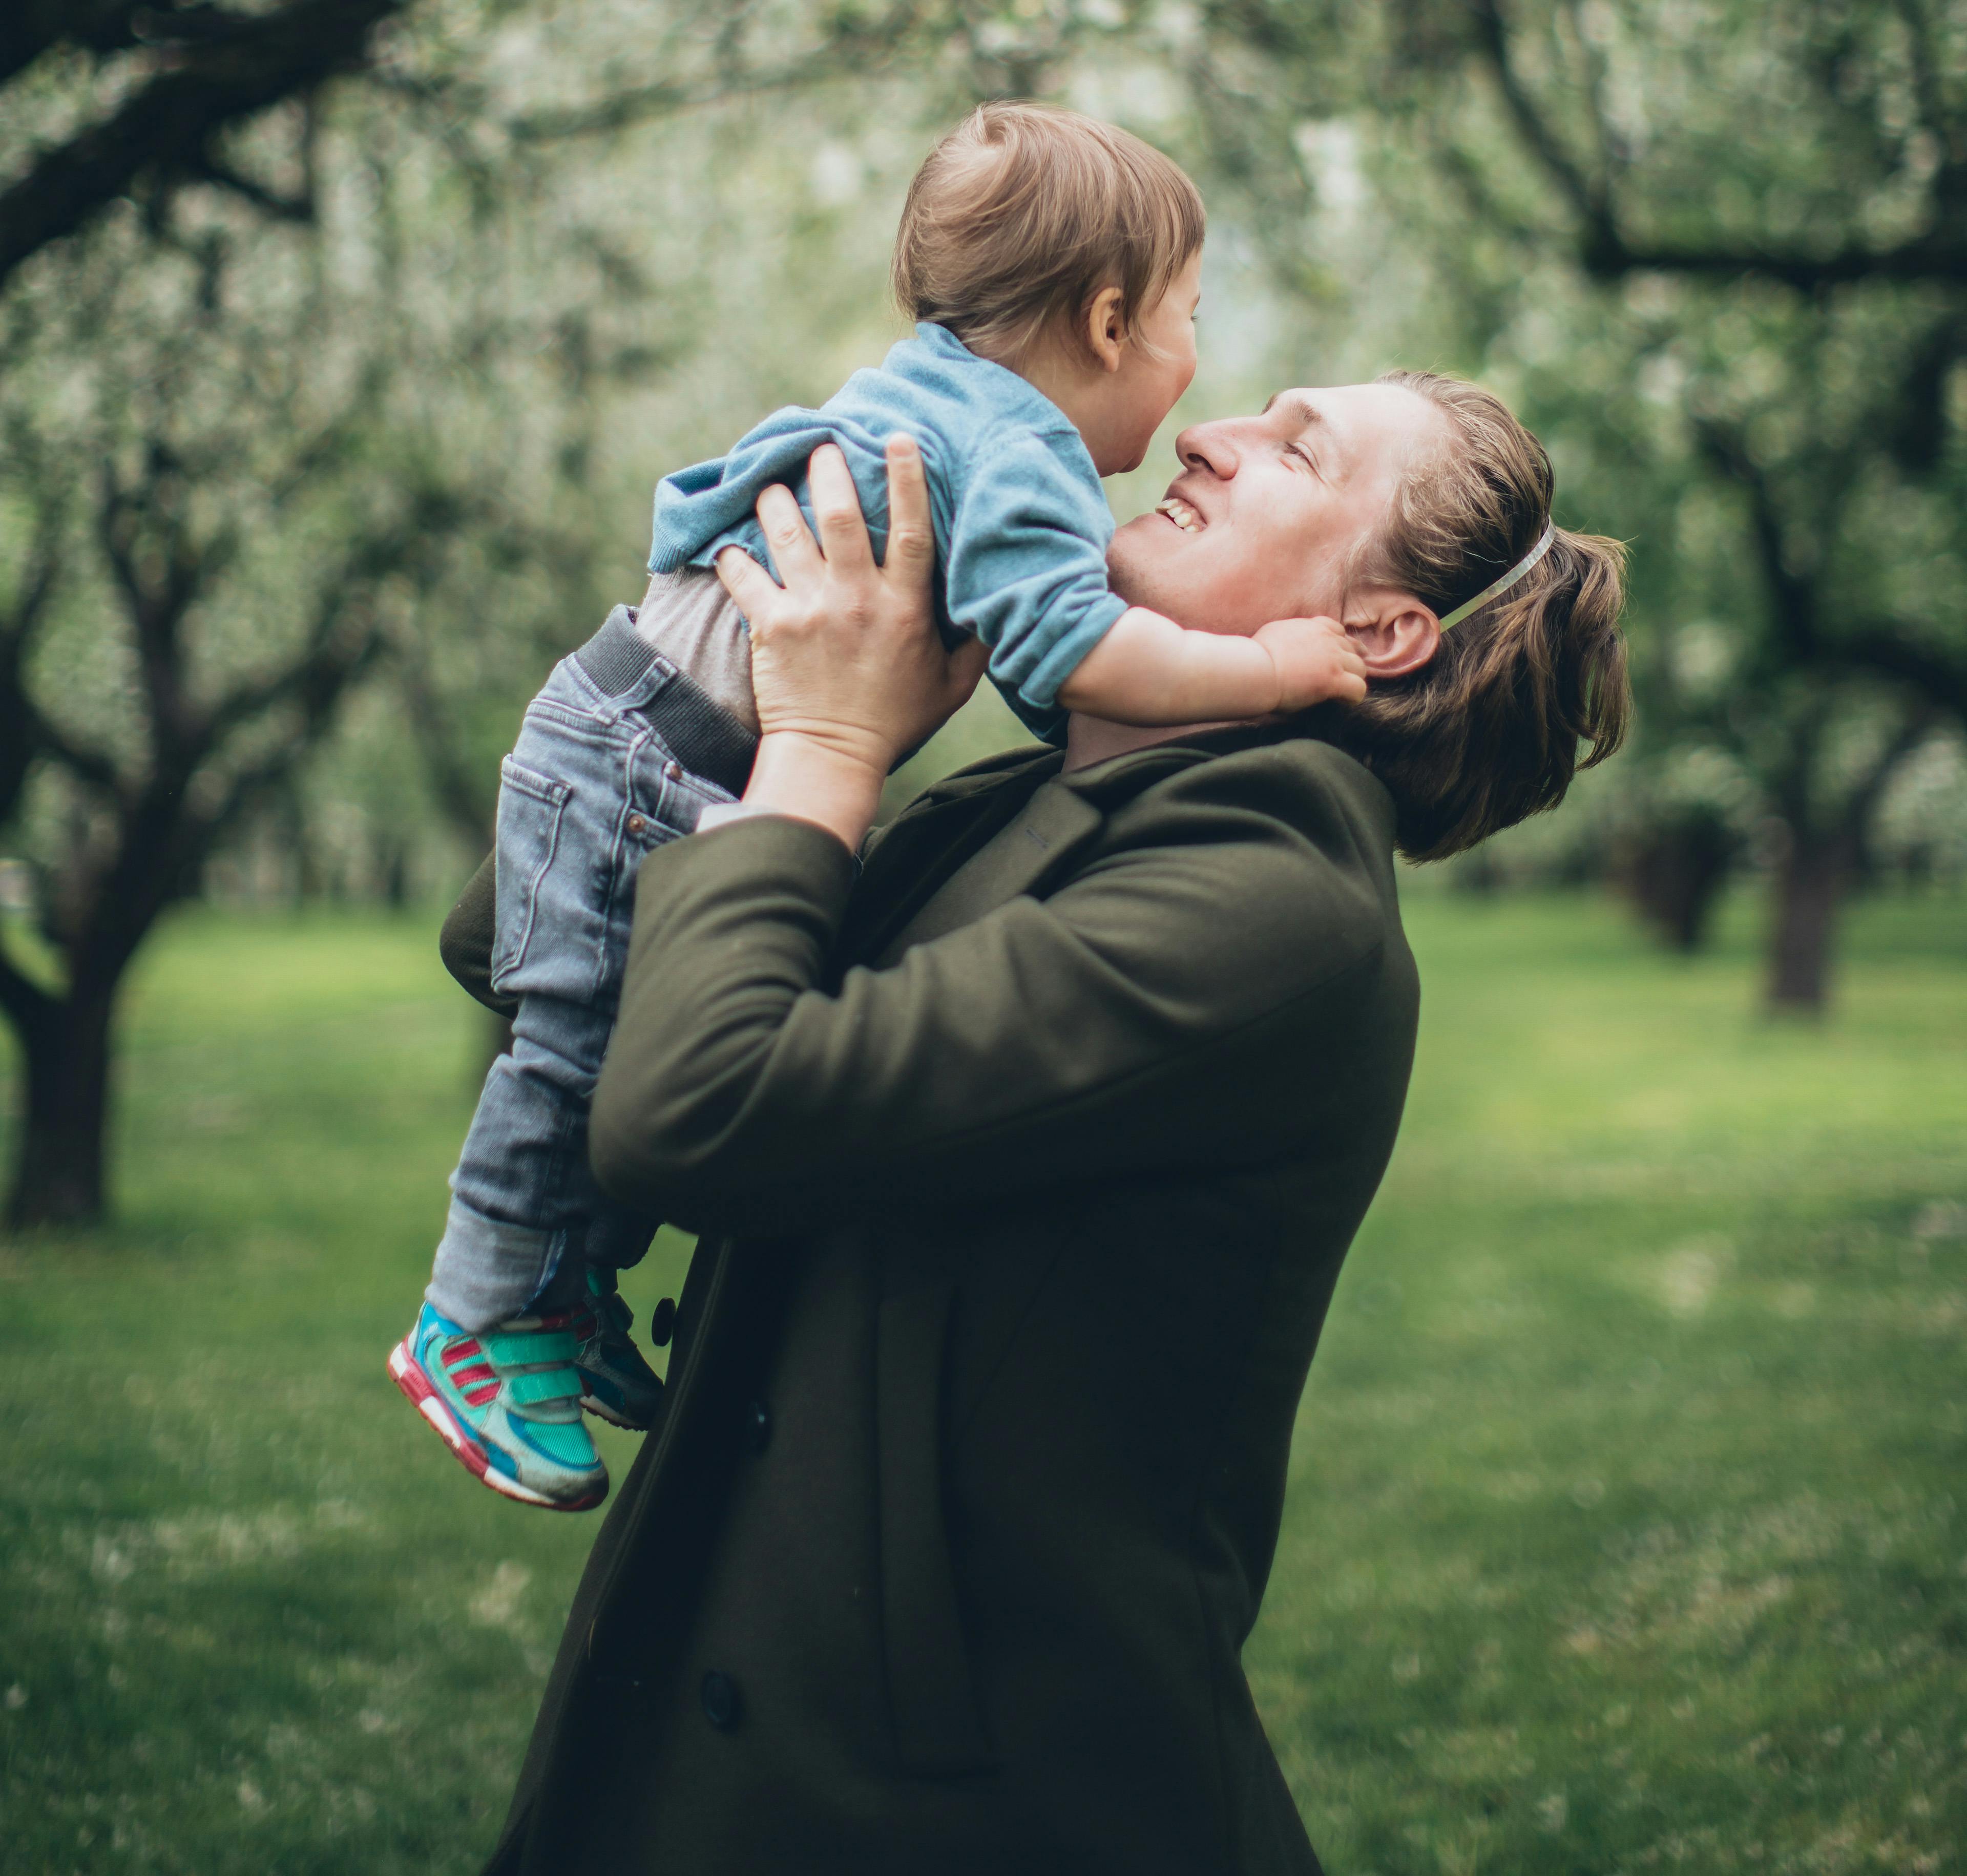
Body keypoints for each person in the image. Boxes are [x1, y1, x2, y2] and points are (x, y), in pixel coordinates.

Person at [437, 370, 1629, 1875]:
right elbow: (533, 956)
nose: (1211, 433)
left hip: (949, 1806)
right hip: (701, 1724)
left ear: (1383, 629)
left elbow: (698, 1108)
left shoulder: (1273, 906)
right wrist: (719, 653)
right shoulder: (1016, 809)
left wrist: (820, 741)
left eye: (1294, 448)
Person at [392, 107, 1368, 1510]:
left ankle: (563, 1291)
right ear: (1107, 324)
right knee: (574, 1044)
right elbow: (1067, 651)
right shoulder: (1019, 449)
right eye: (1191, 317)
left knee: (595, 1021)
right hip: (652, 753)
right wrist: (1268, 666)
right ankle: (476, 1319)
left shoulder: (929, 391)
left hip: (625, 723)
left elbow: (1033, 666)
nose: (1204, 397)